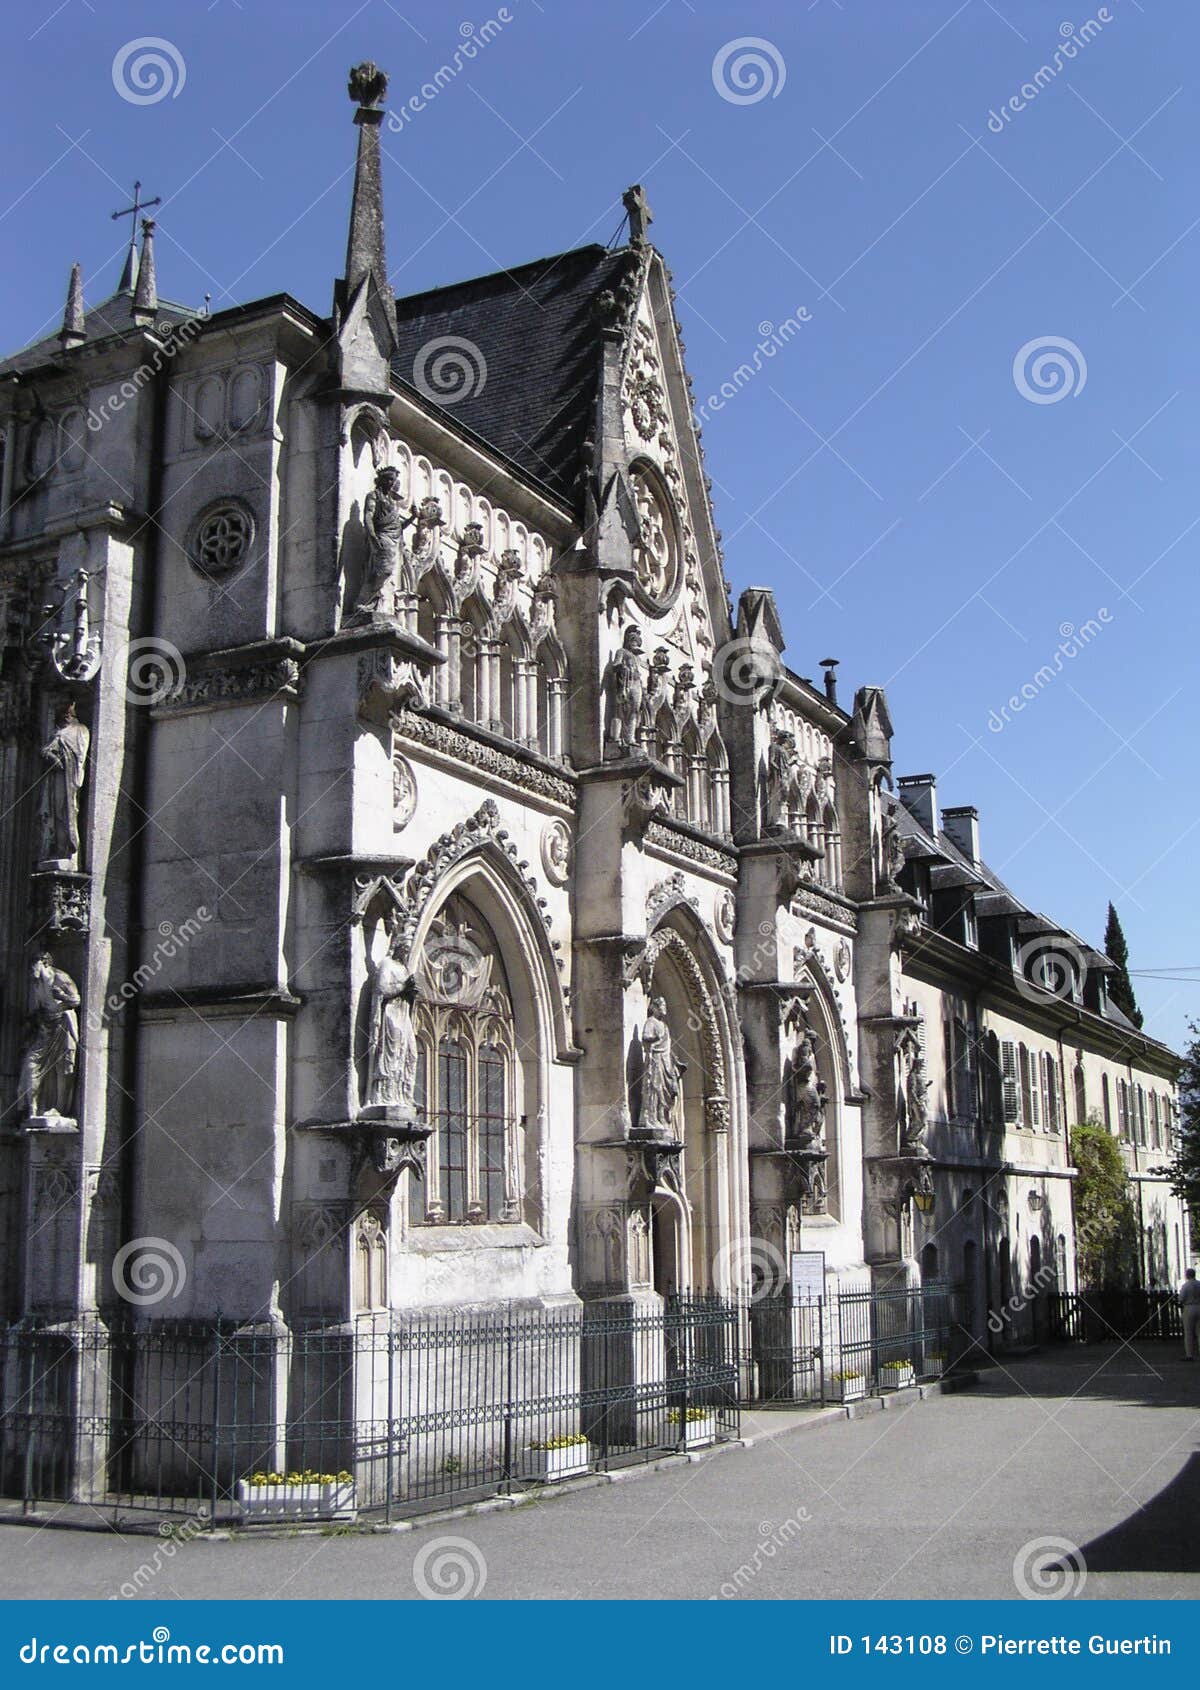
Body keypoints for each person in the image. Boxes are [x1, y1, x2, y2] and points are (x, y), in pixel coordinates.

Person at [1178, 1267, 1200, 1360]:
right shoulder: (1199, 1284)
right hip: (1199, 1306)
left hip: (1189, 1307)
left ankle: (1189, 1354)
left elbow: (1181, 1298)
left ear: (1187, 1275)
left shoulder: (1186, 1286)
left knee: (1188, 1332)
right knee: (1199, 1332)